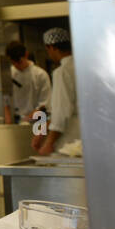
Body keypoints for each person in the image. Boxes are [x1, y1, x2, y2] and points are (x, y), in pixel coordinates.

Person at [33, 27, 80, 155]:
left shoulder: (62, 72)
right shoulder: (82, 66)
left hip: (71, 142)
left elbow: (61, 112)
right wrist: (41, 131)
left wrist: (48, 142)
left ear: (52, 47)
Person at [4, 40, 51, 125]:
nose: (17, 65)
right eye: (13, 63)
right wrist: (9, 124)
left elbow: (44, 105)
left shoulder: (40, 75)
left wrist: (26, 120)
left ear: (26, 54)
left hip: (38, 123)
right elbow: (5, 102)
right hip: (16, 123)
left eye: (19, 62)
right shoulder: (8, 75)